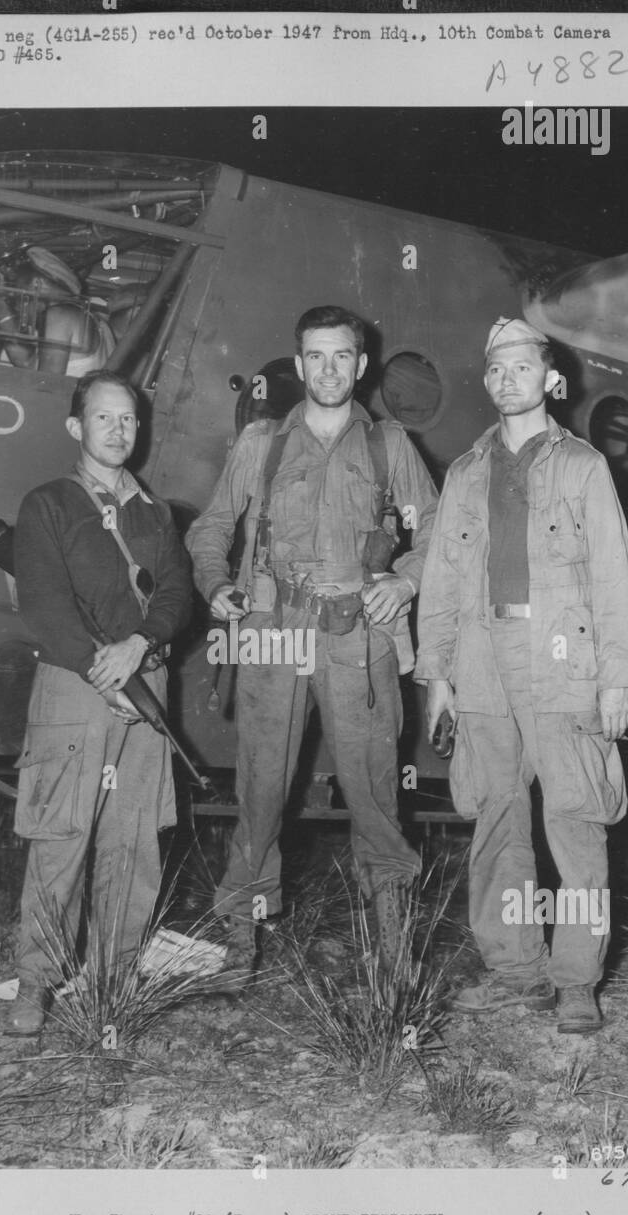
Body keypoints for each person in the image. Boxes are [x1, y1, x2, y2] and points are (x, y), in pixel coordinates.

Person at [186, 305, 440, 978]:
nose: (329, 369)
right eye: (316, 357)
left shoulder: (391, 446)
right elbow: (211, 526)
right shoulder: (261, 444)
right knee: (261, 788)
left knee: (375, 792)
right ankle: (242, 933)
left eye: (342, 357)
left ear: (361, 366)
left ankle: (391, 949)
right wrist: (215, 583)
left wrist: (408, 582)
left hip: (361, 637)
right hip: (275, 632)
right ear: (299, 367)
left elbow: (441, 529)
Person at [415, 317, 628, 1034]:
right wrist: (438, 677)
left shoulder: (582, 466)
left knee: (575, 821)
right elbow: (443, 582)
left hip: (562, 663)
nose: (506, 379)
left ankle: (577, 979)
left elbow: (614, 578)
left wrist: (616, 678)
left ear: (553, 380)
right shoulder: (465, 471)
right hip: (482, 665)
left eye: (521, 367)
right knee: (494, 817)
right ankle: (514, 968)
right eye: (495, 369)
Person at [7, 370, 193, 1035]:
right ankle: (36, 983)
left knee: (133, 839)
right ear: (76, 427)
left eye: (129, 420)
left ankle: (115, 979)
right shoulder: (48, 505)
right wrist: (103, 671)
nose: (118, 431)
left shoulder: (155, 513)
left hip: (145, 685)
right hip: (75, 687)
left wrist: (140, 646)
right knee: (61, 836)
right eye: (104, 418)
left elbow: (176, 593)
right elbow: (46, 605)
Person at [0, 247, 115, 376]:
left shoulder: (59, 316)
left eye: (20, 289)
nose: (18, 304)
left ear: (36, 284)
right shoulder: (98, 321)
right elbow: (27, 363)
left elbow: (46, 385)